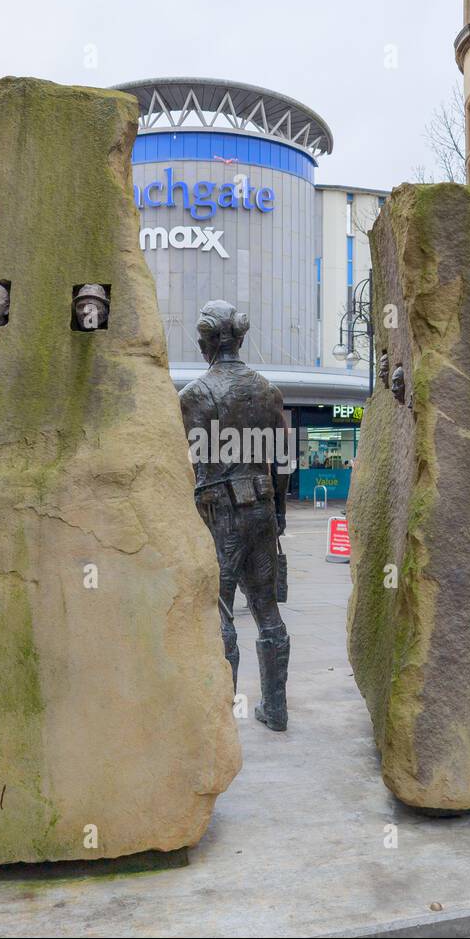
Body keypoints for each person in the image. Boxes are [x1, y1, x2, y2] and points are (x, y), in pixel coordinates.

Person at [179, 299, 291, 731]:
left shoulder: (194, 396)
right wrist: (278, 513)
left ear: (206, 339)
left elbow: (185, 462)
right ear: (240, 339)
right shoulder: (268, 391)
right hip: (261, 508)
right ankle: (276, 710)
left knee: (219, 611)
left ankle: (219, 720)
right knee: (266, 610)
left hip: (218, 513)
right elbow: (282, 460)